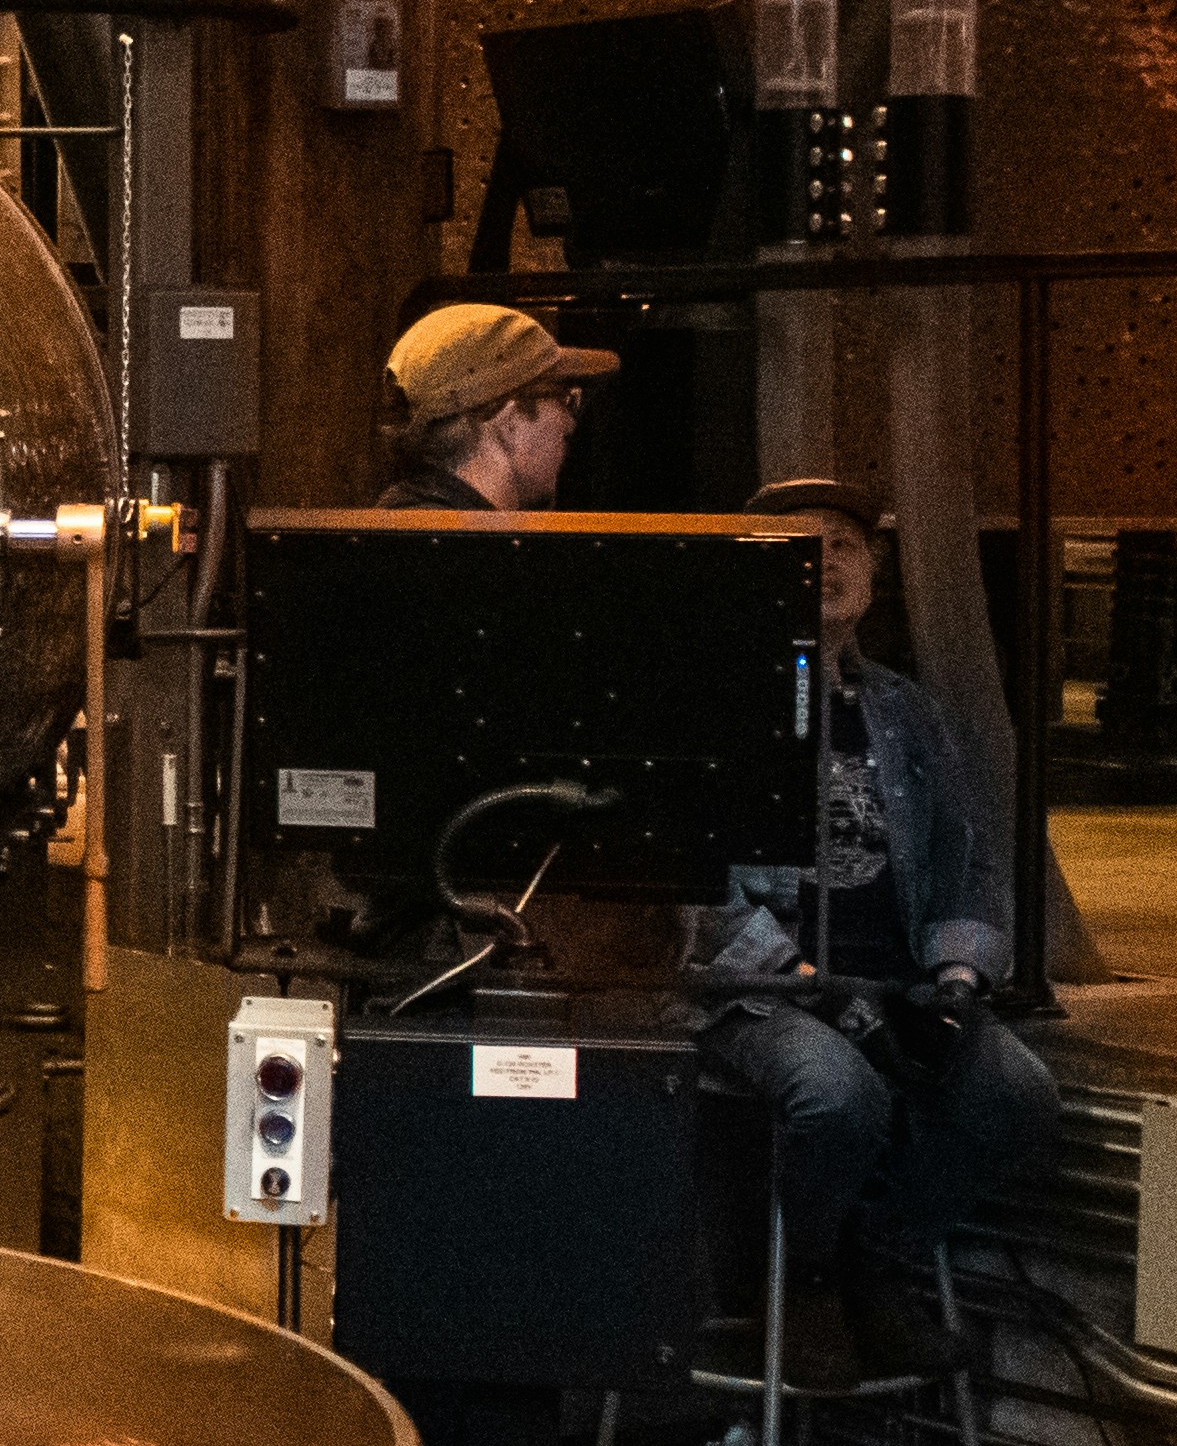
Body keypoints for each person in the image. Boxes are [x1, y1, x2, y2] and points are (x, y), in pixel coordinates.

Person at [691, 475, 1056, 1380]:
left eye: (846, 546)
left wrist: (956, 986)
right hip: (763, 991)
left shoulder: (909, 713)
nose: (827, 563)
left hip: (895, 981)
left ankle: (879, 1261)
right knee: (837, 1097)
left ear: (874, 571)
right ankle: (806, 1283)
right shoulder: (717, 703)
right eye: (803, 548)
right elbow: (696, 893)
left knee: (1015, 1094)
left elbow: (969, 860)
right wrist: (816, 991)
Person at [376, 303, 617, 511]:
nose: (569, 422)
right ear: (509, 422)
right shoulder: (476, 545)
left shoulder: (397, 523)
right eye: (563, 398)